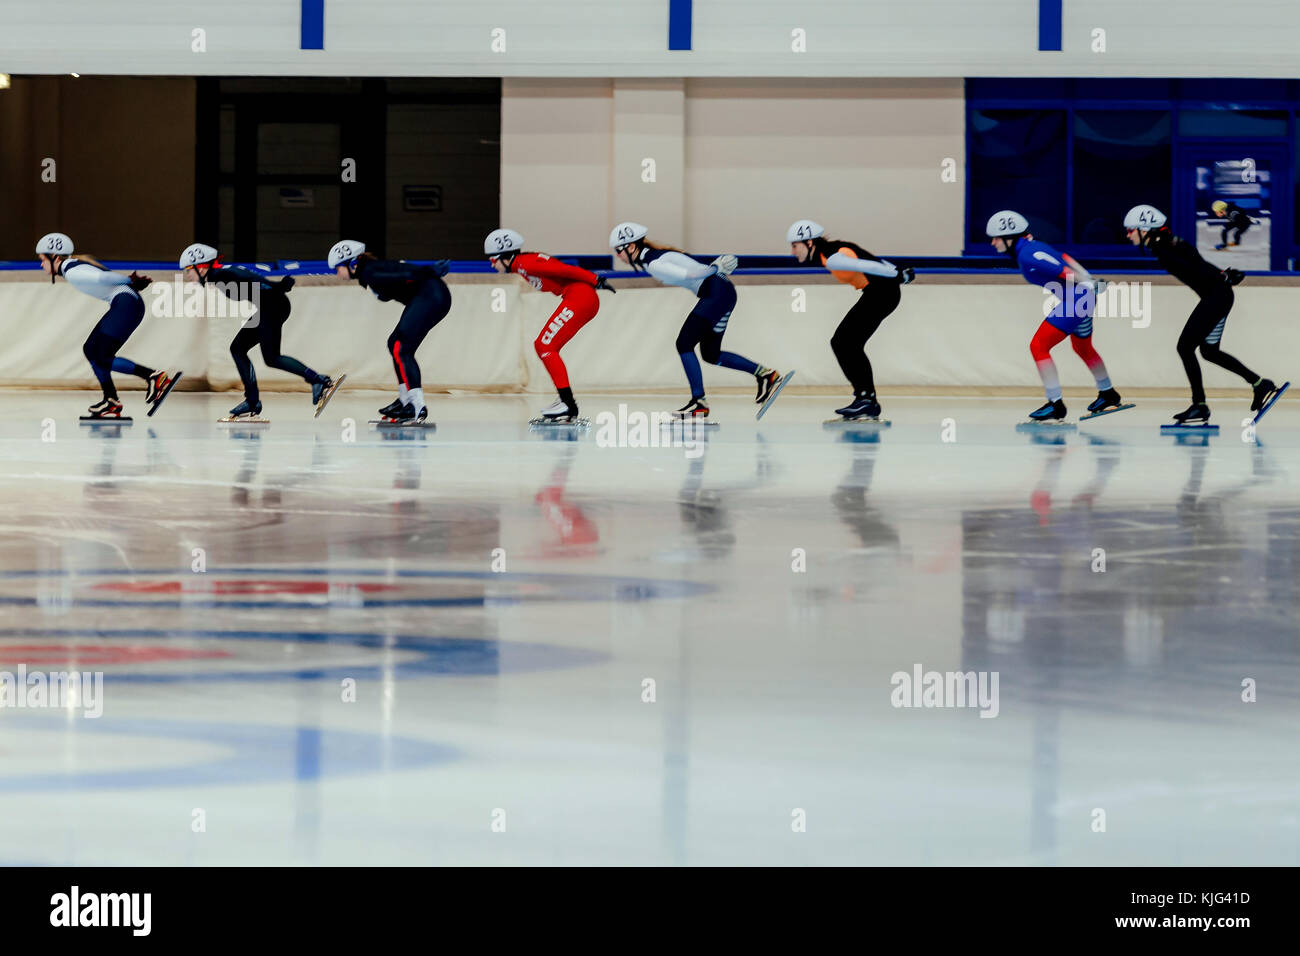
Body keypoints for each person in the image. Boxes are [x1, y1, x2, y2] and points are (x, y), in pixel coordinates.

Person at [609, 222, 786, 420]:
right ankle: (766, 375)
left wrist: (714, 267)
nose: (618, 256)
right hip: (722, 292)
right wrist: (715, 268)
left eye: (618, 250)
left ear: (631, 246)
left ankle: (699, 402)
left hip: (716, 293)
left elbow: (692, 274)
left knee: (684, 343)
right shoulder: (652, 256)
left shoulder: (653, 262)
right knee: (711, 354)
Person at [1124, 204, 1281, 424]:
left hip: (1216, 297)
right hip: (1219, 295)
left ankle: (1199, 405)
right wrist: (1223, 274)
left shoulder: (1163, 250)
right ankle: (1260, 384)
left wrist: (1221, 277)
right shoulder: (1170, 241)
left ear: (1144, 228)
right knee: (1209, 351)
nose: (1128, 234)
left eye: (1131, 229)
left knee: (1185, 347)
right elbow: (1197, 262)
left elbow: (1195, 268)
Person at [984, 210, 1123, 421]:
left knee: (1038, 346)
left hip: (1077, 299)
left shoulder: (1027, 253)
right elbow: (1065, 258)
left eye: (996, 238)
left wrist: (1087, 282)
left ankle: (1055, 403)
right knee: (1082, 347)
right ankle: (1108, 393)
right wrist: (1089, 279)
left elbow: (1061, 269)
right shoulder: (1033, 245)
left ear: (1009, 237)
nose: (993, 243)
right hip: (1083, 297)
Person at [178, 243, 340, 420]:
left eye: (188, 269)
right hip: (269, 306)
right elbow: (249, 279)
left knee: (271, 357)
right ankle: (253, 400)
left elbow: (249, 278)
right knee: (238, 348)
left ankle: (319, 381)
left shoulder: (221, 275)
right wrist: (276, 287)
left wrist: (277, 286)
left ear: (201, 267)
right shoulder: (220, 275)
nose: (187, 275)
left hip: (273, 306)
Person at [36, 232, 180, 420]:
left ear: (54, 256)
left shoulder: (71, 270)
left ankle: (154, 377)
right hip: (126, 303)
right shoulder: (71, 267)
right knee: (91, 349)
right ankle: (110, 400)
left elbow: (103, 279)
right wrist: (131, 283)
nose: (41, 264)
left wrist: (130, 280)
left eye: (42, 259)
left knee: (101, 356)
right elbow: (103, 277)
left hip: (127, 304)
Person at [786, 219, 914, 420]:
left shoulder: (832, 257)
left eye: (795, 246)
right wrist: (897, 271)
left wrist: (897, 274)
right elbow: (873, 260)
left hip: (882, 293)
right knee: (846, 343)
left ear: (809, 243)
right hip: (880, 292)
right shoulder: (830, 251)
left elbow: (864, 264)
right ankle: (865, 399)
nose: (793, 252)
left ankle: (866, 400)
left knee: (844, 343)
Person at [485, 228, 615, 422]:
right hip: (578, 297)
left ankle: (567, 403)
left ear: (505, 256)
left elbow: (564, 269)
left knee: (545, 345)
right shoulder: (522, 264)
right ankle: (566, 401)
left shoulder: (526, 263)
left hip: (581, 297)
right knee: (544, 345)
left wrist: (595, 280)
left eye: (493, 259)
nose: (491, 263)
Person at [327, 240, 451, 424]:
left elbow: (405, 273)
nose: (337, 274)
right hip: (430, 295)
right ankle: (405, 401)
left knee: (401, 347)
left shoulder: (370, 271)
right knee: (395, 343)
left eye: (338, 268)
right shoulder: (370, 270)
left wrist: (430, 270)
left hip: (431, 296)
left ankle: (417, 406)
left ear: (352, 264)